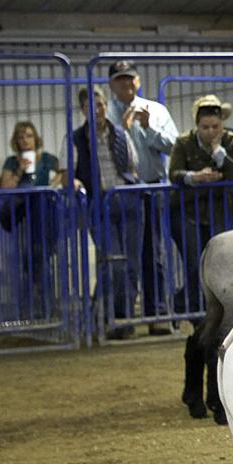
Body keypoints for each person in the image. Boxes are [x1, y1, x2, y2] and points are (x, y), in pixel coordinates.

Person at [106, 60, 179, 335]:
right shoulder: (106, 113)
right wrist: (123, 131)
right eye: (120, 79)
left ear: (138, 81)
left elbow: (173, 145)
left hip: (151, 187)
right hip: (120, 193)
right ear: (112, 84)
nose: (126, 83)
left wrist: (149, 128)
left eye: (130, 78)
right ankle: (123, 317)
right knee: (124, 256)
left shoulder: (156, 110)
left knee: (155, 253)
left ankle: (157, 313)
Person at [72, 87, 144, 341]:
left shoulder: (120, 134)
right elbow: (68, 170)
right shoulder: (76, 139)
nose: (97, 110)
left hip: (128, 201)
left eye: (100, 105)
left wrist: (133, 182)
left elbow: (133, 165)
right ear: (83, 110)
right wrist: (75, 182)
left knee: (131, 264)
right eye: (91, 106)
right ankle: (103, 318)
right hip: (99, 204)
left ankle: (122, 320)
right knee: (111, 263)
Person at [168, 95, 233, 315]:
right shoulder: (183, 142)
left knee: (218, 264)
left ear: (222, 125)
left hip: (218, 211)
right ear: (197, 126)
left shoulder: (231, 142)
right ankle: (194, 312)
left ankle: (218, 310)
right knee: (194, 263)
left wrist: (220, 155)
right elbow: (174, 173)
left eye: (215, 126)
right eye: (205, 127)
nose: (210, 131)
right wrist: (194, 177)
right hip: (187, 211)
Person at [0, 120, 63, 314]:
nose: (25, 140)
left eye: (29, 136)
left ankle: (45, 304)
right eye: (21, 137)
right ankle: (34, 305)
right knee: (28, 258)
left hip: (45, 216)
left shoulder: (49, 159)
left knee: (41, 257)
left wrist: (51, 184)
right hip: (23, 220)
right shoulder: (12, 162)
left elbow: (62, 176)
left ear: (36, 138)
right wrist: (19, 171)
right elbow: (5, 186)